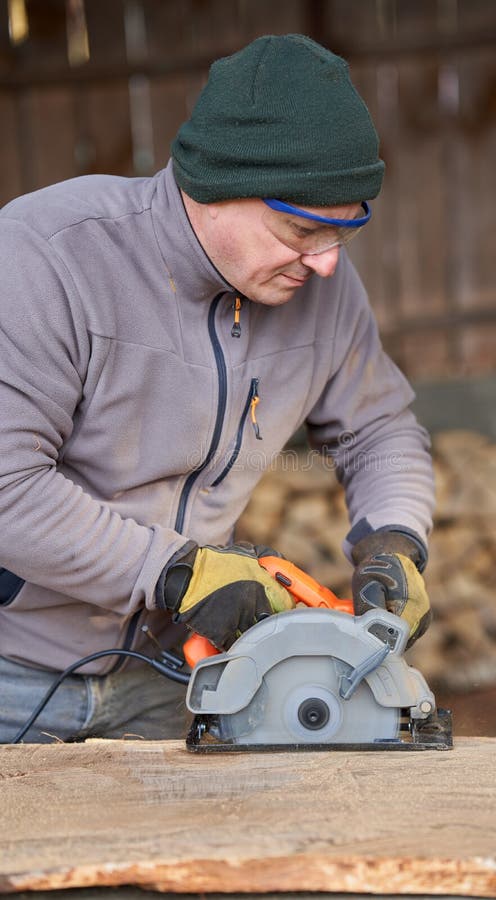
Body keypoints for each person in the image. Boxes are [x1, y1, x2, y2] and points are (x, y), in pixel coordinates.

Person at [0, 34, 435, 743]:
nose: (327, 265)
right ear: (216, 186)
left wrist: (396, 536)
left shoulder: (321, 288)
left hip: (173, 676)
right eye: (302, 230)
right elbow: (7, 486)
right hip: (10, 675)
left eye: (346, 233)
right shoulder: (45, 258)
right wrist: (175, 572)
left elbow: (379, 427)